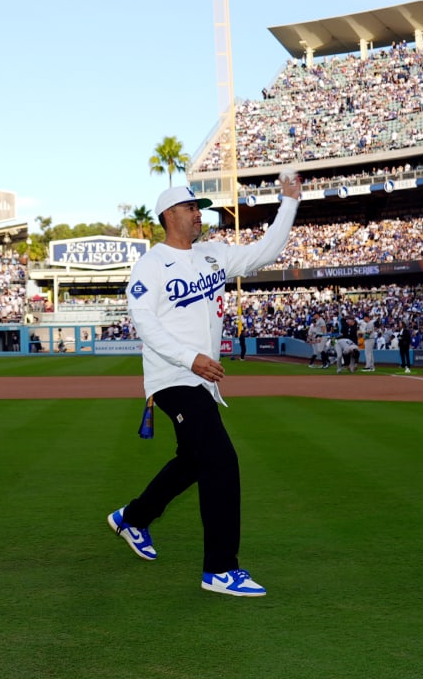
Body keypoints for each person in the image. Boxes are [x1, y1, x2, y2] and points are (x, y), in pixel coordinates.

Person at [106, 175, 300, 598]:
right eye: (192, 208)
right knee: (221, 461)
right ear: (170, 215)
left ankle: (133, 518)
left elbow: (266, 251)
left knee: (194, 460)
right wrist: (189, 357)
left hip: (200, 380)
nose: (200, 214)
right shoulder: (151, 264)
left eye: (200, 208)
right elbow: (145, 322)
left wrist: (288, 204)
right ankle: (219, 569)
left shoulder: (214, 255)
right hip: (173, 377)